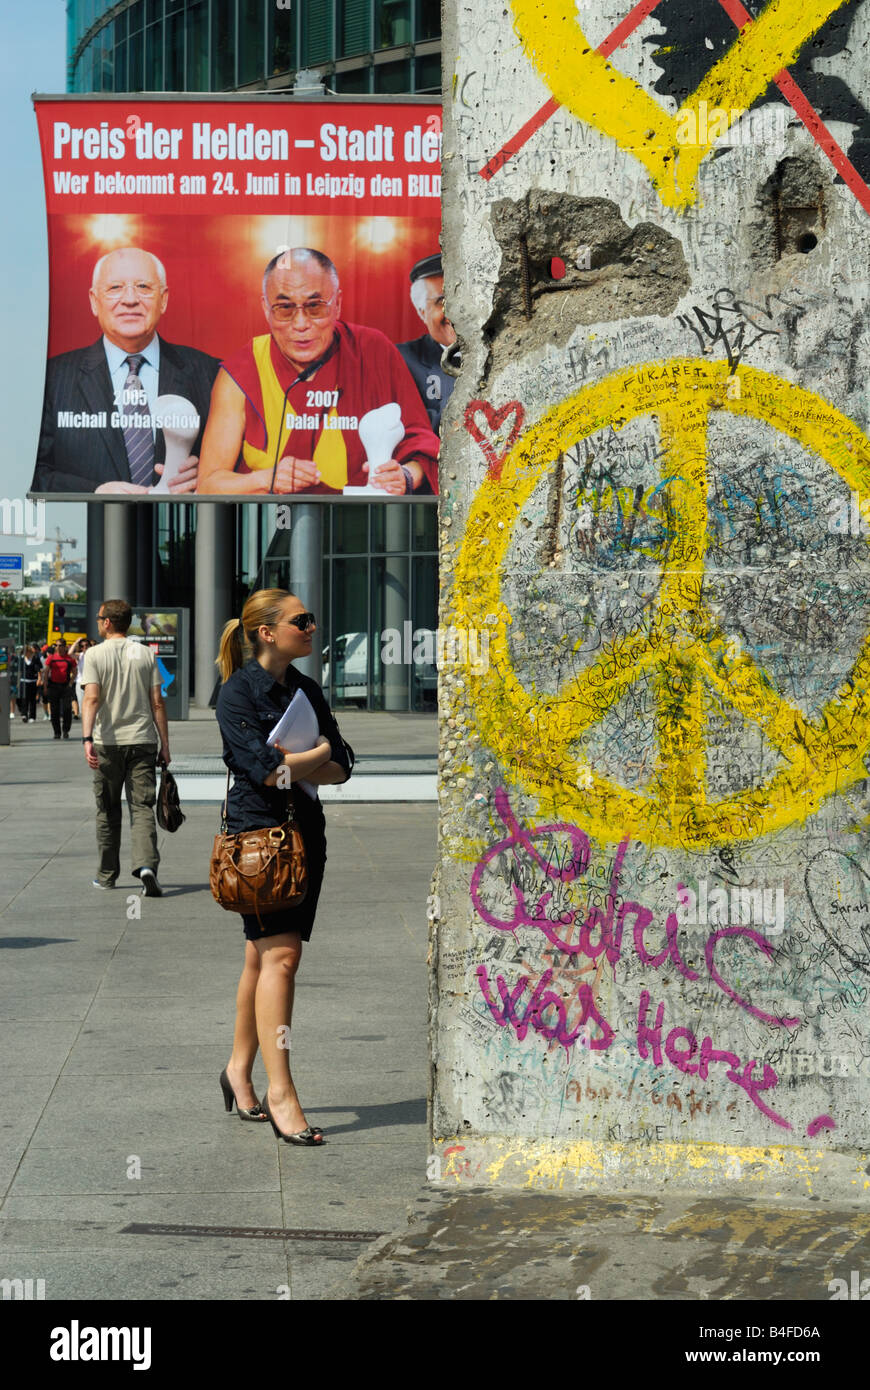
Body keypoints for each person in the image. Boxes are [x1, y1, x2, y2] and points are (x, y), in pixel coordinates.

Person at [215, 589, 353, 1143]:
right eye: (302, 620)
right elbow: (264, 771)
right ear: (267, 632)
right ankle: (281, 1093)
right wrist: (312, 756)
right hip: (258, 844)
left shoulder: (306, 689)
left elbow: (344, 765)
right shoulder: (236, 694)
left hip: (305, 837)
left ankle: (235, 1071)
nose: (313, 627)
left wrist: (306, 761)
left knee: (260, 958)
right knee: (283, 959)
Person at [197, 248, 440, 496]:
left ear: (338, 304)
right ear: (266, 308)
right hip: (268, 524)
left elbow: (423, 447)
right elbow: (208, 485)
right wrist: (265, 480)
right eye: (284, 308)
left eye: (315, 307)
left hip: (362, 522)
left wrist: (405, 477)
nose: (301, 324)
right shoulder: (244, 370)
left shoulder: (372, 350)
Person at [32, 247, 220, 495]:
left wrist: (208, 476)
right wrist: (95, 493)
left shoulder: (211, 374)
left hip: (180, 529)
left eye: (143, 287)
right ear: (93, 301)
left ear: (163, 300)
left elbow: (233, 472)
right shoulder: (52, 379)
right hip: (86, 528)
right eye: (114, 288)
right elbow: (31, 474)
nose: (130, 299)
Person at [81, 599, 170, 895]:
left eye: (98, 617)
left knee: (107, 809)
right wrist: (165, 745)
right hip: (143, 739)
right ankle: (146, 866)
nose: (97, 621)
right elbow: (158, 702)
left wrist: (86, 739)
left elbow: (91, 698)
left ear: (107, 622)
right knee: (142, 806)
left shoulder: (93, 655)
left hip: (107, 742)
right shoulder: (146, 654)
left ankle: (107, 876)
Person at [398, 253, 458, 434]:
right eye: (442, 300)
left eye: (463, 296)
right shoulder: (402, 361)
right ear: (422, 312)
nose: (456, 310)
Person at [43, 638, 77, 739]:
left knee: (67, 709)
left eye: (60, 645)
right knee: (54, 711)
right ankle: (57, 732)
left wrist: (70, 684)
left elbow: (75, 672)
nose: (58, 647)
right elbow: (46, 673)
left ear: (65, 647)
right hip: (53, 686)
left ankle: (66, 730)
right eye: (56, 645)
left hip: (65, 686)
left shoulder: (70, 659)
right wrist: (45, 686)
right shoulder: (51, 658)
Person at [20, 645, 41, 723]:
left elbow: (38, 669)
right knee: (24, 698)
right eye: (25, 652)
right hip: (23, 681)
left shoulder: (35, 659)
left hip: (33, 681)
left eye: (27, 652)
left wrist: (39, 678)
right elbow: (19, 670)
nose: (26, 653)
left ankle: (32, 716)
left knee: (32, 699)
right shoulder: (21, 659)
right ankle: (24, 714)